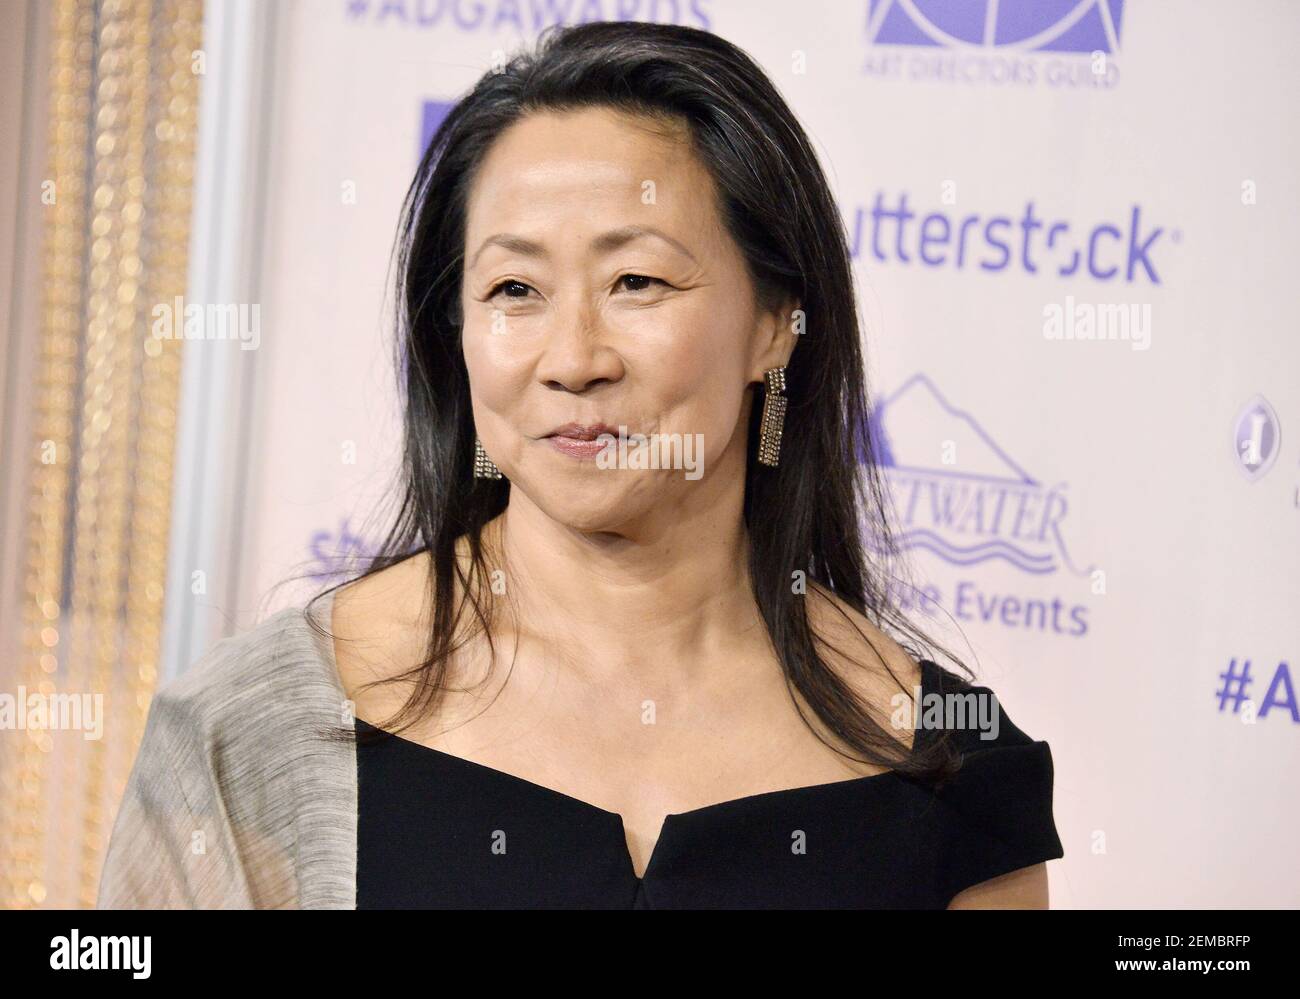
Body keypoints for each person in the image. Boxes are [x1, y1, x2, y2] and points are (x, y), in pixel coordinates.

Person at [97, 20, 1063, 910]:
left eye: (636, 280)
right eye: (514, 287)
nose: (572, 357)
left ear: (776, 323)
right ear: (459, 334)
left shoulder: (949, 757)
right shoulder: (254, 735)